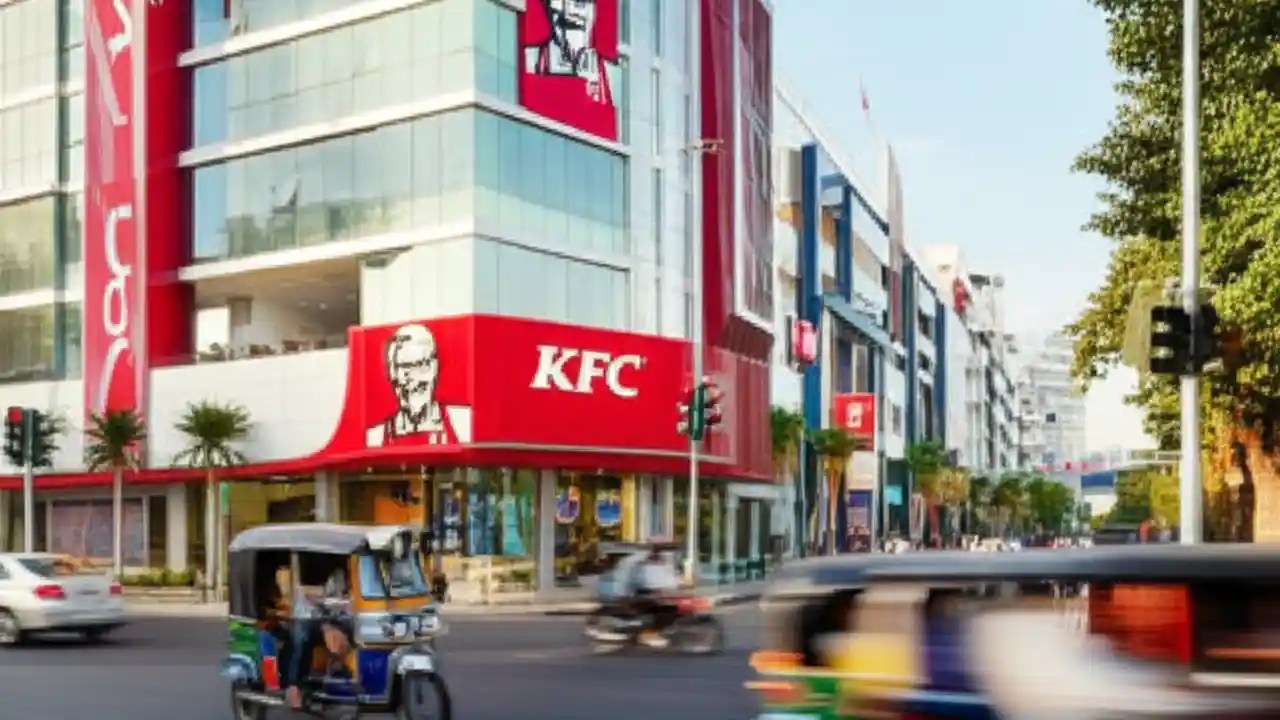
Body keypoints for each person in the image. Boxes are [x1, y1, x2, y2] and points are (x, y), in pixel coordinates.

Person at [282, 567, 351, 709]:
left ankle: (336, 673)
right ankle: (293, 686)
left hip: (330, 618)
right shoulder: (304, 575)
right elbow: (306, 597)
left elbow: (343, 601)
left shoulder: (340, 573)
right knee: (301, 638)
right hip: (304, 617)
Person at [629, 547, 680, 647]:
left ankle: (655, 630)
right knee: (664, 609)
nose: (660, 557)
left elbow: (672, 583)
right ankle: (648, 633)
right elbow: (638, 584)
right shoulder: (644, 568)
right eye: (657, 555)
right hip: (644, 598)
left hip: (656, 596)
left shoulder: (662, 568)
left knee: (672, 608)